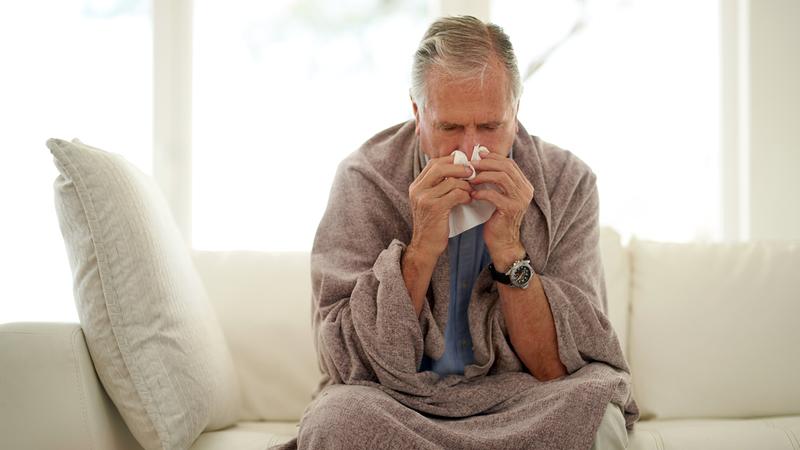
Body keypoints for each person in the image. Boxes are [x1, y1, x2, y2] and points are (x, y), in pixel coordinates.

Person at [277, 15, 638, 450]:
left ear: (516, 111)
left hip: (523, 400)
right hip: (398, 404)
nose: (471, 151)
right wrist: (420, 251)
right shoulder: (364, 179)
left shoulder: (568, 183)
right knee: (336, 421)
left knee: (598, 410)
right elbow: (347, 363)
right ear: (417, 112)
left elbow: (555, 367)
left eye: (490, 126)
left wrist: (509, 250)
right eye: (449, 128)